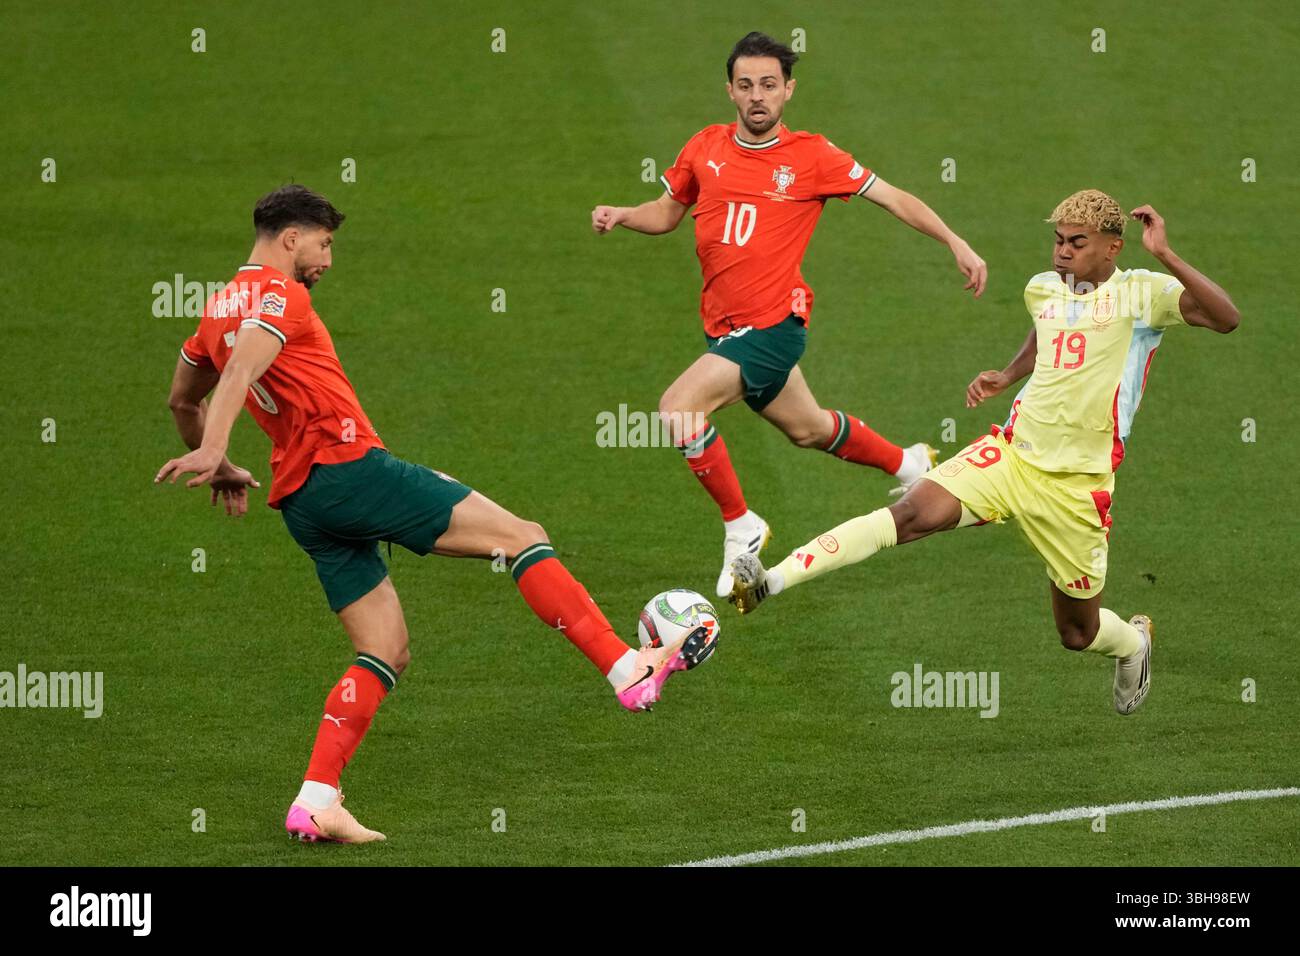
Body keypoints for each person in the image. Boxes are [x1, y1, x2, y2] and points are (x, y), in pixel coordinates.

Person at [156, 185, 714, 843]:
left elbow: (180, 400)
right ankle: (628, 670)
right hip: (349, 471)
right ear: (289, 238)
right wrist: (218, 448)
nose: (327, 260)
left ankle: (316, 800)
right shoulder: (280, 296)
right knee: (522, 538)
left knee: (384, 649)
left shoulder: (213, 311)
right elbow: (246, 364)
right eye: (324, 244)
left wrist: (211, 459)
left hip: (303, 503)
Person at [729, 190, 1240, 715]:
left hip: (1078, 489)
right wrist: (1008, 373)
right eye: (1058, 240)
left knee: (1076, 631)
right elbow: (1047, 336)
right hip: (1012, 455)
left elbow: (1226, 318)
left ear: (1113, 247)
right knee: (911, 515)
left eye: (1077, 243)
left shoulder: (1143, 294)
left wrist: (1165, 254)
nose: (1061, 252)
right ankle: (771, 580)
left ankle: (1134, 645)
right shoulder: (1043, 289)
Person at [592, 31, 987, 598]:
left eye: (769, 85)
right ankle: (909, 462)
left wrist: (956, 242)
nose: (758, 96)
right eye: (747, 84)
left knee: (679, 410)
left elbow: (894, 197)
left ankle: (741, 528)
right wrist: (622, 214)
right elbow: (666, 212)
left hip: (774, 327)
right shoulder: (703, 147)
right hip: (725, 329)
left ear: (788, 91)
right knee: (810, 429)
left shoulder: (812, 157)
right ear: (730, 89)